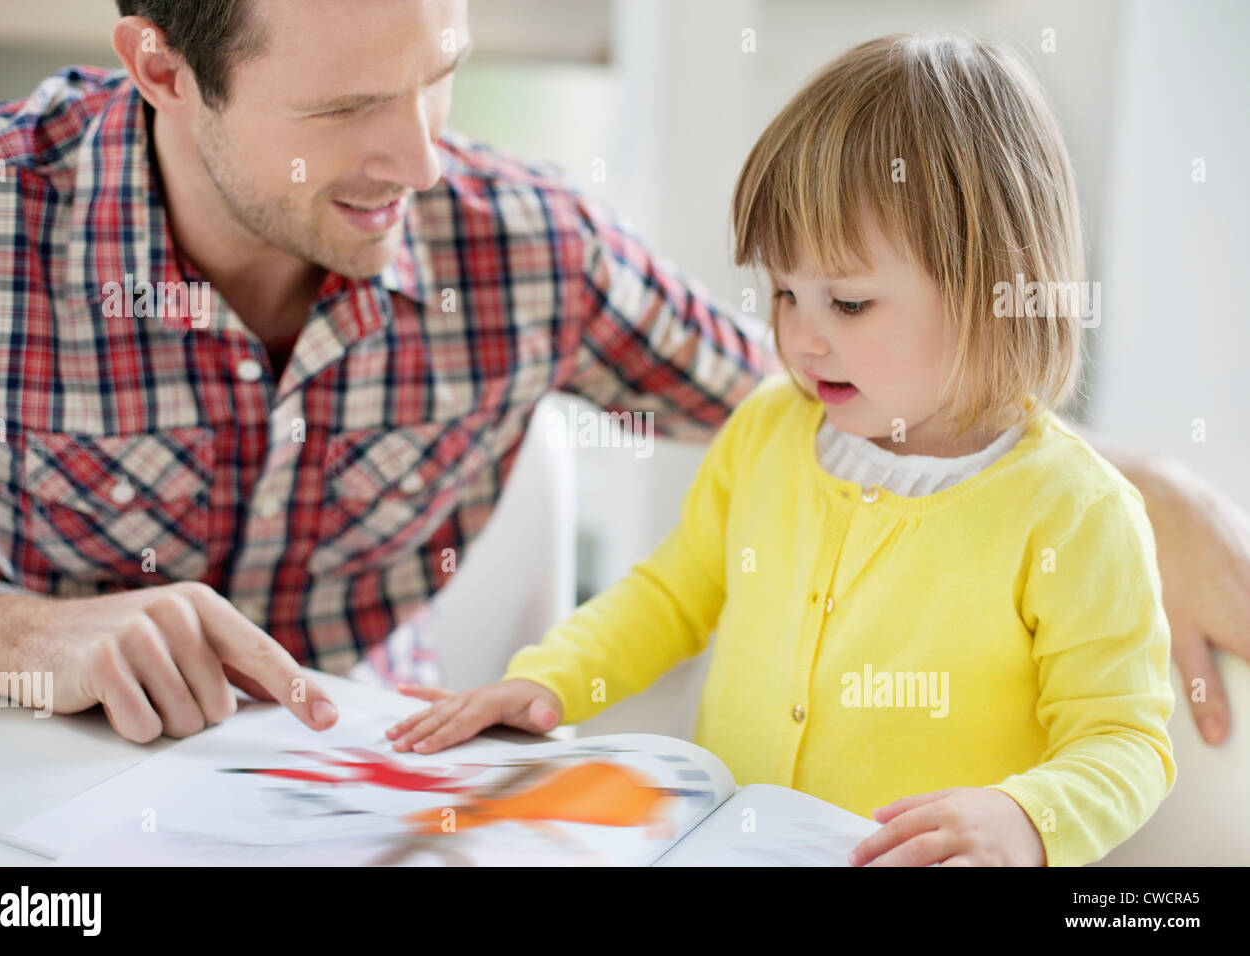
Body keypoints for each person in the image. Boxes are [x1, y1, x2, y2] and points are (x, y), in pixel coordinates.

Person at [0, 2, 1244, 749]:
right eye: (344, 112)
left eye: (438, 79)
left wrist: (1127, 487)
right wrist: (7, 636)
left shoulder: (525, 245)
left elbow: (835, 390)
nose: (419, 160)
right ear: (163, 70)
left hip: (359, 806)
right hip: (20, 796)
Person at [385, 32, 1178, 867]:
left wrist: (1028, 817)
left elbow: (1124, 739)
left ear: (995, 293)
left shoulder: (1075, 515)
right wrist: (549, 680)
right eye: (785, 290)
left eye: (850, 303)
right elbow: (670, 596)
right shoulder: (768, 428)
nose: (800, 334)